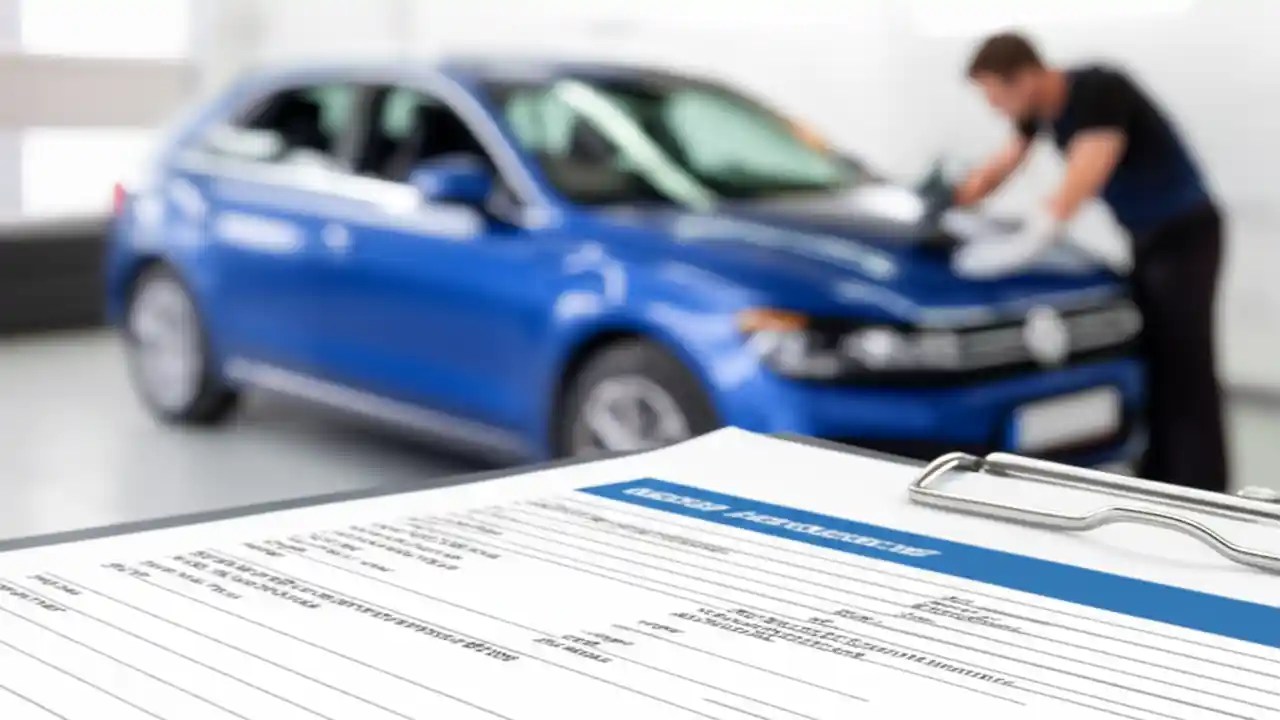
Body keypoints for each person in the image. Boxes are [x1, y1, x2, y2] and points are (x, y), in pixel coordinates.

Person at [952, 32, 1227, 492]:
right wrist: (951, 199)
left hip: (1186, 235)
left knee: (1187, 365)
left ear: (1025, 78)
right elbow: (999, 167)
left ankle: (1202, 486)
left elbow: (1082, 176)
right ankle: (1160, 479)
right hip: (1146, 239)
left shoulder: (1100, 90)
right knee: (1154, 359)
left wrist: (1026, 242)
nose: (995, 109)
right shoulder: (1038, 113)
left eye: (997, 97)